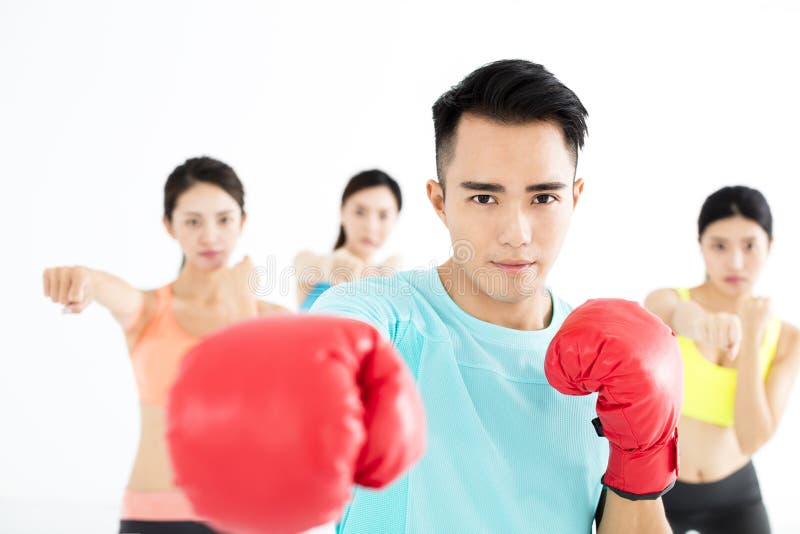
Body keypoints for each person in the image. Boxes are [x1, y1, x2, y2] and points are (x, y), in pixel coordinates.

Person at [306, 59, 678, 533]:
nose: (516, 234)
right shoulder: (387, 318)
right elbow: (331, 341)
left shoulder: (604, 363)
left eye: (543, 198)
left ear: (575, 198)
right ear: (440, 202)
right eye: (485, 198)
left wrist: (642, 461)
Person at [42, 156, 287, 534]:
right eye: (193, 221)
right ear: (169, 225)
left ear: (243, 222)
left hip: (248, 516)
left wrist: (241, 307)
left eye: (224, 219)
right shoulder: (147, 310)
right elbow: (105, 287)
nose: (209, 236)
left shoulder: (273, 321)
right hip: (155, 518)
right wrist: (82, 277)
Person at [645, 185, 800, 534]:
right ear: (701, 246)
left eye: (749, 246)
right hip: (657, 490)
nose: (735, 262)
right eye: (719, 246)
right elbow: (676, 315)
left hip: (735, 495)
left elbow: (750, 439)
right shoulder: (666, 300)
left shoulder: (788, 339)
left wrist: (749, 340)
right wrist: (702, 325)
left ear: (770, 246)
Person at [294, 169, 402, 311]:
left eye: (383, 216)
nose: (371, 226)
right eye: (360, 212)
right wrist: (330, 266)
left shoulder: (391, 276)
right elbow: (305, 264)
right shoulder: (311, 262)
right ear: (342, 212)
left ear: (395, 220)